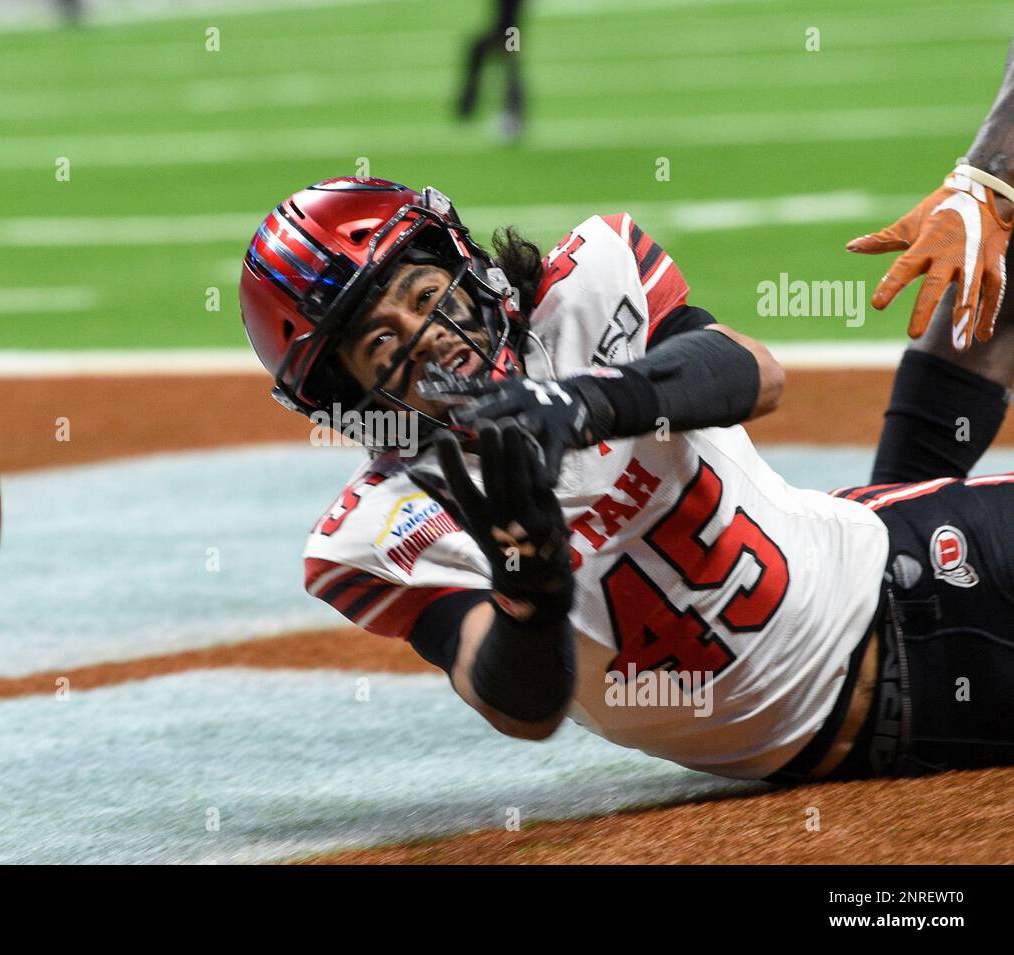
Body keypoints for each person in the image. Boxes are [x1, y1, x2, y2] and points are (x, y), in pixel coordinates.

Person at [237, 131, 1014, 781]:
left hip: (931, 566)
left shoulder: (588, 287)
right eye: (378, 339)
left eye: (422, 289)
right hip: (870, 745)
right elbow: (518, 706)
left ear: (461, 260)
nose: (423, 330)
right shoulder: (380, 526)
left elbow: (752, 371)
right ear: (350, 394)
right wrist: (529, 591)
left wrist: (582, 402)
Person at [456, 0, 527, 141]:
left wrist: (510, 41)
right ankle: (468, 107)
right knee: (479, 51)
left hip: (510, 31)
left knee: (509, 67)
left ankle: (513, 116)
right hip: (507, 30)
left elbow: (510, 15)